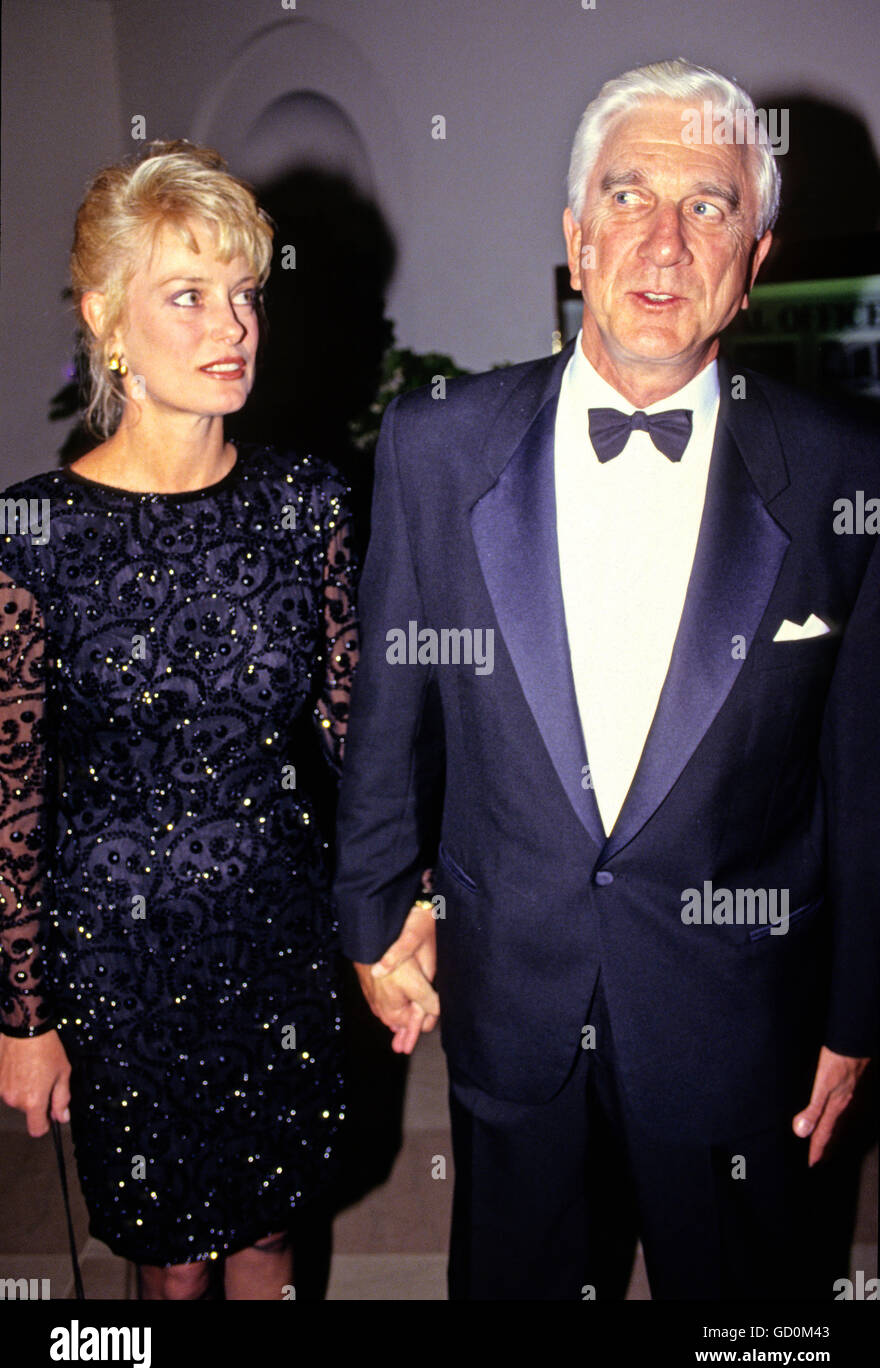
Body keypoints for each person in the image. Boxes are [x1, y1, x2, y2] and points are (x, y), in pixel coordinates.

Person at [333, 58, 878, 1300]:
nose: (664, 241)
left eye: (710, 205)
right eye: (627, 195)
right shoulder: (436, 442)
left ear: (756, 260)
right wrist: (371, 915)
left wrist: (852, 1017)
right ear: (575, 239)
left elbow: (862, 780)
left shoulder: (849, 472)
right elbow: (391, 712)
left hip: (742, 1018)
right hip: (512, 994)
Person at [0, 140, 357, 1299]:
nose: (231, 325)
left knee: (269, 1236)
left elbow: (359, 737)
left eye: (244, 292)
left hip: (280, 929)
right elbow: (11, 796)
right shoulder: (32, 533)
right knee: (171, 1258)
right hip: (119, 952)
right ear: (108, 318)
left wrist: (399, 912)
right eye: (188, 295)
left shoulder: (306, 502)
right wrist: (21, 1013)